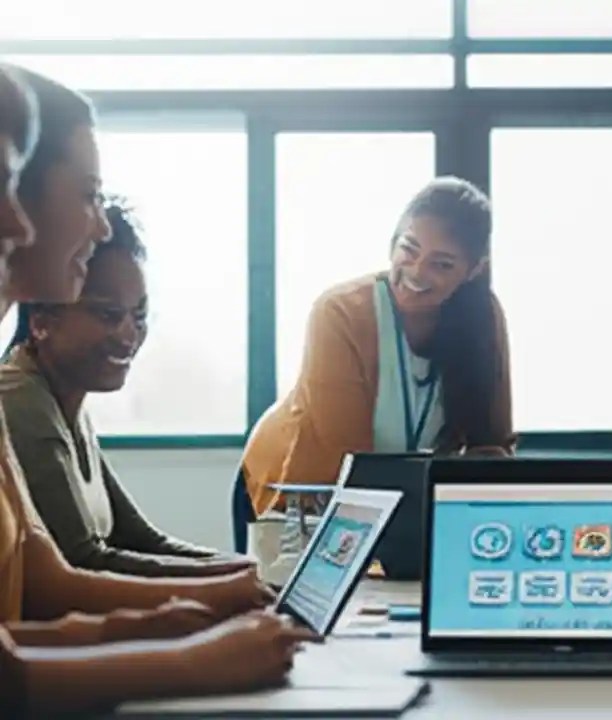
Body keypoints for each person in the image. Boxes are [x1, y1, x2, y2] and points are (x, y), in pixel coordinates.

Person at [0, 65, 313, 717]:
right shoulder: (17, 392)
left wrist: (175, 618)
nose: (101, 227)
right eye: (86, 195)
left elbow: (48, 578)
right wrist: (186, 657)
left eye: (138, 316)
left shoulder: (45, 400)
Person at [2, 199, 252, 576]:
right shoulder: (21, 400)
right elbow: (83, 562)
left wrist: (246, 571)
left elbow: (139, 538)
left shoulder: (68, 403)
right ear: (41, 321)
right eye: (108, 315)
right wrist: (229, 586)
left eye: (139, 315)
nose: (128, 334)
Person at [240, 177, 514, 520]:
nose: (417, 272)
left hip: (397, 494)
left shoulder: (482, 316)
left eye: (442, 264)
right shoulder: (340, 312)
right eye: (409, 249)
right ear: (392, 244)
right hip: (300, 487)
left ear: (474, 269)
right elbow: (341, 456)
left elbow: (491, 444)